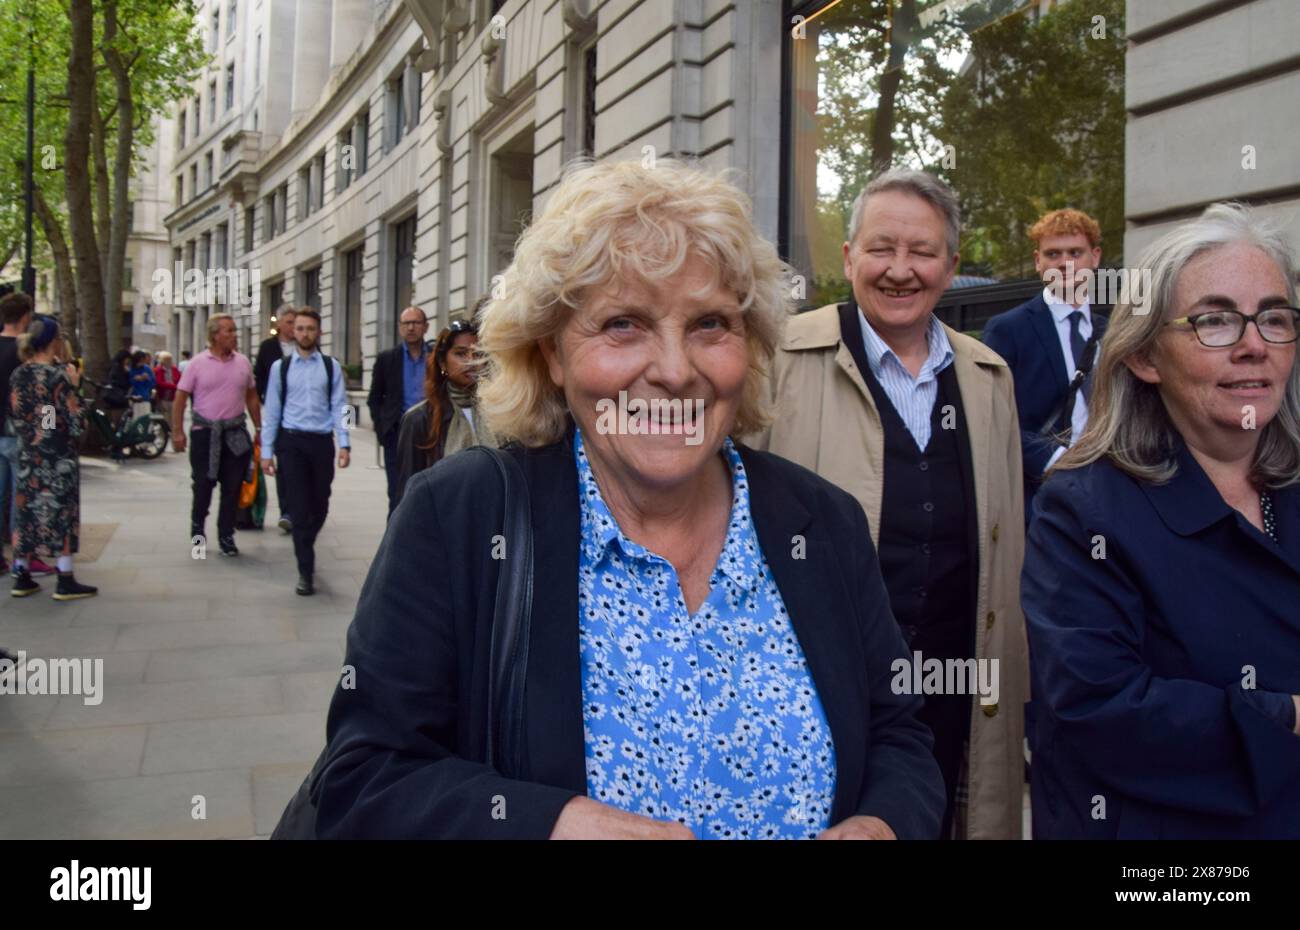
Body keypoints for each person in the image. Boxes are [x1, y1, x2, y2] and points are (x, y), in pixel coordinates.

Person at [312, 159, 945, 840]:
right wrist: (551, 824)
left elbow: (899, 733)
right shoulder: (460, 518)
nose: (674, 372)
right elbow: (361, 782)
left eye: (708, 324)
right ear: (551, 353)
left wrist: (884, 824)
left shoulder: (822, 521)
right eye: (622, 324)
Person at [759, 169, 1026, 840]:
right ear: (849, 258)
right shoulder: (778, 362)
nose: (900, 270)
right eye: (881, 248)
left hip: (949, 685)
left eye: (923, 252)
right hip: (815, 691)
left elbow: (1006, 547)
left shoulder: (991, 378)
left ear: (952, 266)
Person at [1023, 203, 1300, 839]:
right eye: (1215, 321)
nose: (1254, 345)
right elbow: (1100, 708)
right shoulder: (1083, 510)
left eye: (1275, 319)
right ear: (1146, 357)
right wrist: (1284, 716)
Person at [983, 208, 1109, 521]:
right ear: (1038, 261)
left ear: (1095, 258)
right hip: (1039, 497)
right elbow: (992, 416)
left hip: (1109, 491)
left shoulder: (1112, 331)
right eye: (1053, 254)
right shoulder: (1008, 329)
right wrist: (1058, 461)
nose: (1065, 263)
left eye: (1075, 253)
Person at [261, 308, 350, 596]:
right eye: (299, 328)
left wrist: (345, 442)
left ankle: (306, 540)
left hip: (322, 443)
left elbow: (341, 406)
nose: (304, 333)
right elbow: (272, 411)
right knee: (299, 508)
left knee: (321, 504)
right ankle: (305, 571)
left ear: (318, 332)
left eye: (310, 328)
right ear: (292, 331)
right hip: (292, 443)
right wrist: (267, 451)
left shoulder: (330, 366)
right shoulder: (280, 368)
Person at [8, 315, 97, 600]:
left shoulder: (19, 373)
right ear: (54, 342)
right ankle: (65, 576)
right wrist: (74, 387)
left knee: (25, 512)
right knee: (63, 514)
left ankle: (21, 574)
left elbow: (23, 414)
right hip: (57, 458)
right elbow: (72, 423)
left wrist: (37, 430)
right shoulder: (57, 376)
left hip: (28, 454)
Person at [172, 313, 262, 557]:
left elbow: (252, 397)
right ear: (214, 335)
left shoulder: (243, 362)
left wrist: (260, 428)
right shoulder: (197, 363)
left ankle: (226, 536)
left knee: (232, 488)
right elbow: (180, 399)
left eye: (234, 330)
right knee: (203, 487)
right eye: (229, 331)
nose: (234, 335)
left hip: (235, 435)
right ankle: (198, 533)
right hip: (205, 434)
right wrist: (177, 432)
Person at [392, 317, 495, 504]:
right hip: (444, 521)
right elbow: (407, 493)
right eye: (461, 354)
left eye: (478, 354)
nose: (471, 362)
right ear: (442, 362)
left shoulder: (500, 412)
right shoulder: (419, 419)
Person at [367, 306, 429, 516]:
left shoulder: (435, 357)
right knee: (397, 492)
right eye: (406, 323)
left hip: (431, 432)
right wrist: (382, 430)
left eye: (416, 323)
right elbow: (374, 398)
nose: (411, 328)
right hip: (397, 434)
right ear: (400, 328)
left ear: (425, 327)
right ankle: (394, 544)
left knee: (429, 490)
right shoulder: (387, 359)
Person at [0, 292, 35, 578]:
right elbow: (40, 398)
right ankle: (21, 558)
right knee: (20, 497)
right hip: (17, 432)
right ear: (25, 316)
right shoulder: (24, 351)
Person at [255, 305, 296, 533]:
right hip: (279, 416)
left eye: (295, 322)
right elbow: (259, 377)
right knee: (284, 466)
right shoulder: (268, 348)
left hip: (303, 418)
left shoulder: (306, 346)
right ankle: (286, 511)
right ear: (279, 324)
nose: (293, 327)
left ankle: (302, 507)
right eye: (289, 322)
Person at [153, 351, 181, 424]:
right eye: (167, 359)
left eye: (170, 359)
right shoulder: (158, 370)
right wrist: (173, 386)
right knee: (164, 418)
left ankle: (172, 434)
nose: (170, 361)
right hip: (163, 398)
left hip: (174, 397)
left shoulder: (174, 369)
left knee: (173, 419)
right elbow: (159, 383)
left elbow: (179, 379)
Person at [129, 350, 156, 420]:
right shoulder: (130, 369)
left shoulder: (146, 368)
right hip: (134, 397)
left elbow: (153, 383)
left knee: (145, 417)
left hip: (145, 397)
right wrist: (135, 379)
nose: (141, 363)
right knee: (135, 417)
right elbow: (128, 381)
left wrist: (147, 378)